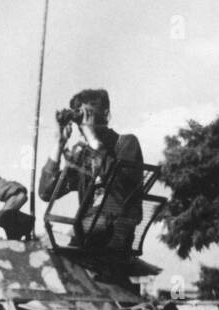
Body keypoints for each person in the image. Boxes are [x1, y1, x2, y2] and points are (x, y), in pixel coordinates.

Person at [38, 89, 144, 252]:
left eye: (88, 114)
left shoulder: (126, 143)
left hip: (115, 236)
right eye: (80, 116)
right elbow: (46, 192)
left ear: (106, 114)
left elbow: (119, 186)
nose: (83, 121)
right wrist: (59, 145)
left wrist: (92, 138)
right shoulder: (82, 153)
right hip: (87, 235)